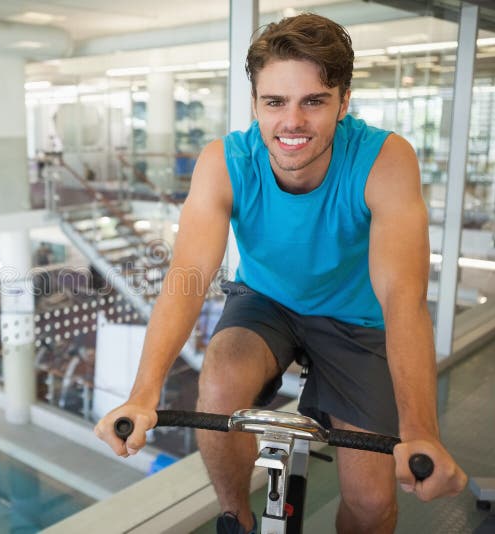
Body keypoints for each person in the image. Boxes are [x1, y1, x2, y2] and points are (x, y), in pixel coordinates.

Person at [93, 13, 467, 534]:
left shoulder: (385, 160)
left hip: (358, 321)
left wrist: (421, 431)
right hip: (265, 303)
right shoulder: (224, 162)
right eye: (275, 102)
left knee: (372, 504)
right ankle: (238, 517)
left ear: (344, 101)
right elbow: (187, 277)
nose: (292, 122)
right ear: (255, 104)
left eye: (313, 101)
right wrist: (142, 394)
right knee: (219, 384)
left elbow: (403, 299)